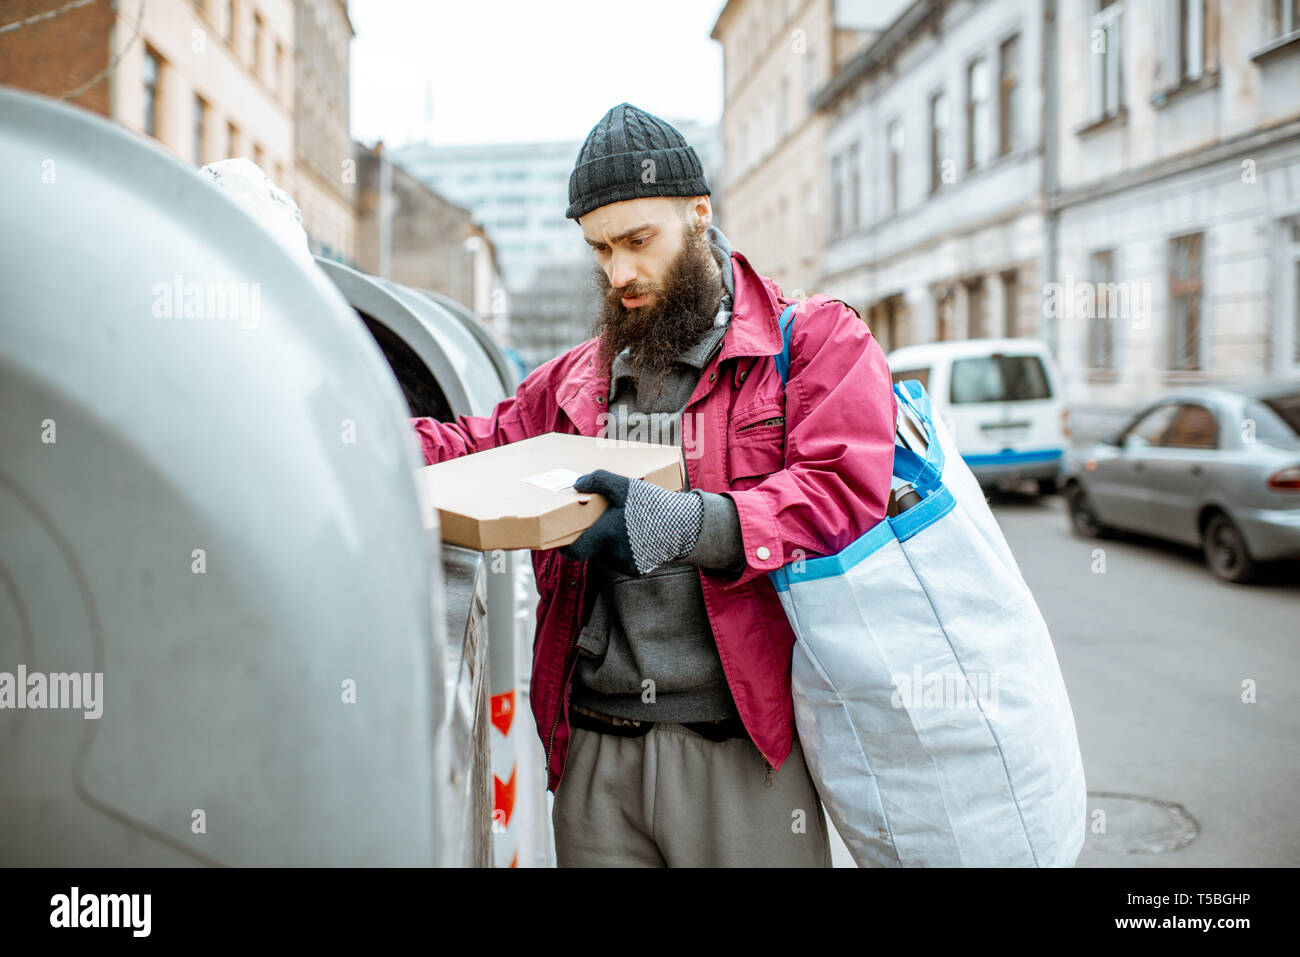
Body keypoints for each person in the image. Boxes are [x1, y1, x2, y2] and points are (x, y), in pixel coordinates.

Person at [411, 103, 897, 867]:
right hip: (596, 756)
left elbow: (844, 490)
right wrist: (352, 426)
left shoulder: (813, 341)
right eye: (600, 250)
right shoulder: (576, 378)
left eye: (639, 241)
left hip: (744, 753)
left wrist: (684, 524)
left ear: (699, 214)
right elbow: (473, 445)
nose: (620, 273)